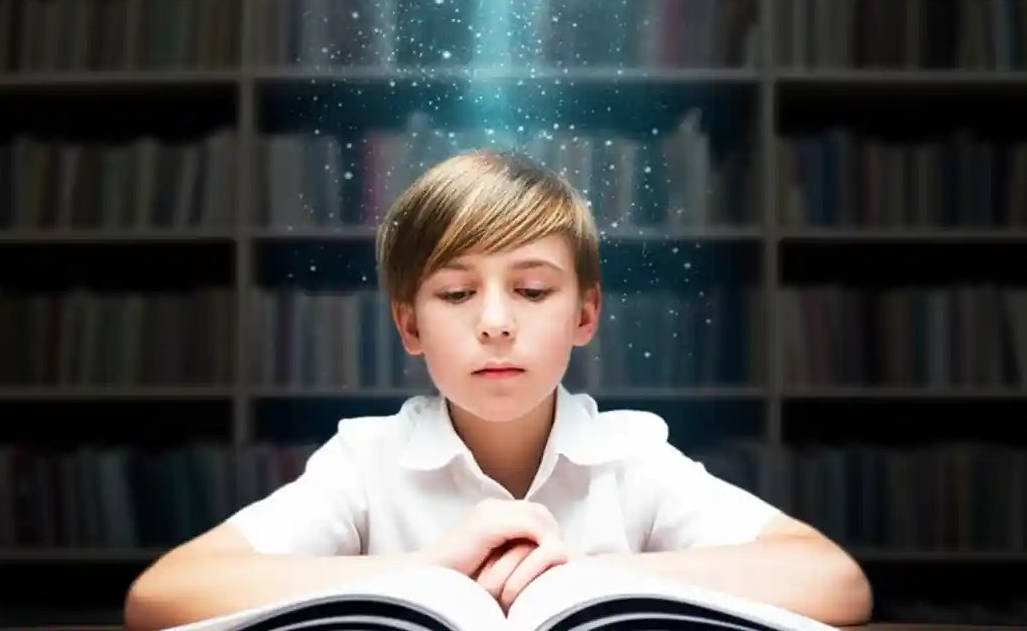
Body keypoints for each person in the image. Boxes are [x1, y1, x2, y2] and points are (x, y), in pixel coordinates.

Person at [123, 149, 873, 631]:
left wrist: (581, 572)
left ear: (585, 313)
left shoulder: (631, 454)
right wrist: (427, 568)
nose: (493, 323)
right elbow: (162, 594)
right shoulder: (365, 460)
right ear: (409, 325)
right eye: (454, 294)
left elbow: (834, 582)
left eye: (532, 290)